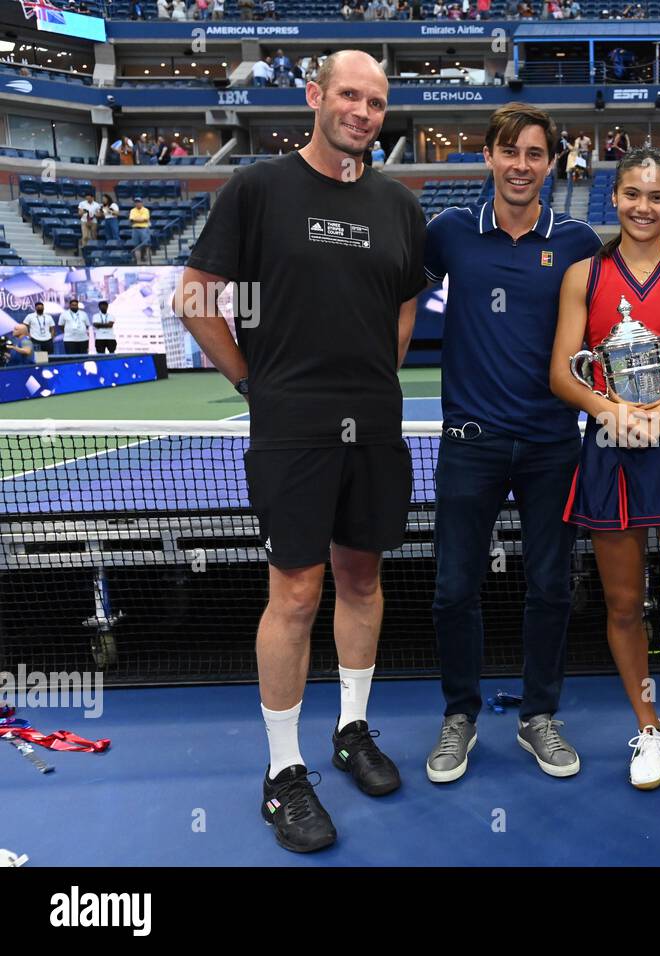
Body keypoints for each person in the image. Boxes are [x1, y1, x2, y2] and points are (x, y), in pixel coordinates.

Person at [422, 103, 660, 786]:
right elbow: (393, 295)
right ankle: (465, 716)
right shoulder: (454, 235)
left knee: (563, 589)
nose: (521, 166)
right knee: (456, 590)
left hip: (565, 446)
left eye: (535, 154)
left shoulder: (582, 246)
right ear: (489, 158)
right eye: (510, 152)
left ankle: (554, 718)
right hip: (487, 440)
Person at [177, 50, 427, 854]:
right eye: (349, 95)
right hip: (291, 423)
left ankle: (351, 731)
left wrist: (370, 381)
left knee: (362, 576)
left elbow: (404, 303)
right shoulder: (257, 188)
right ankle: (282, 777)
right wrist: (256, 381)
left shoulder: (398, 204)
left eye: (376, 102)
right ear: (315, 98)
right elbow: (194, 296)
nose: (362, 111)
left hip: (373, 419)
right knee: (295, 592)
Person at [550, 146, 660, 822]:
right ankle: (649, 727)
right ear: (614, 197)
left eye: (656, 197)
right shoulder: (582, 276)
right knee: (624, 607)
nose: (643, 206)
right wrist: (611, 410)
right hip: (609, 450)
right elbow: (564, 371)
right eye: (631, 194)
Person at [129, 196, 152, 264]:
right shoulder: (132, 210)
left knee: (147, 245)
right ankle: (139, 262)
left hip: (144, 229)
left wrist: (137, 220)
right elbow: (131, 220)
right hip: (135, 229)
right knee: (136, 246)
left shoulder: (145, 210)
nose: (137, 203)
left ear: (142, 203)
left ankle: (149, 262)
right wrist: (140, 220)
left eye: (139, 202)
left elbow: (145, 219)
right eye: (136, 202)